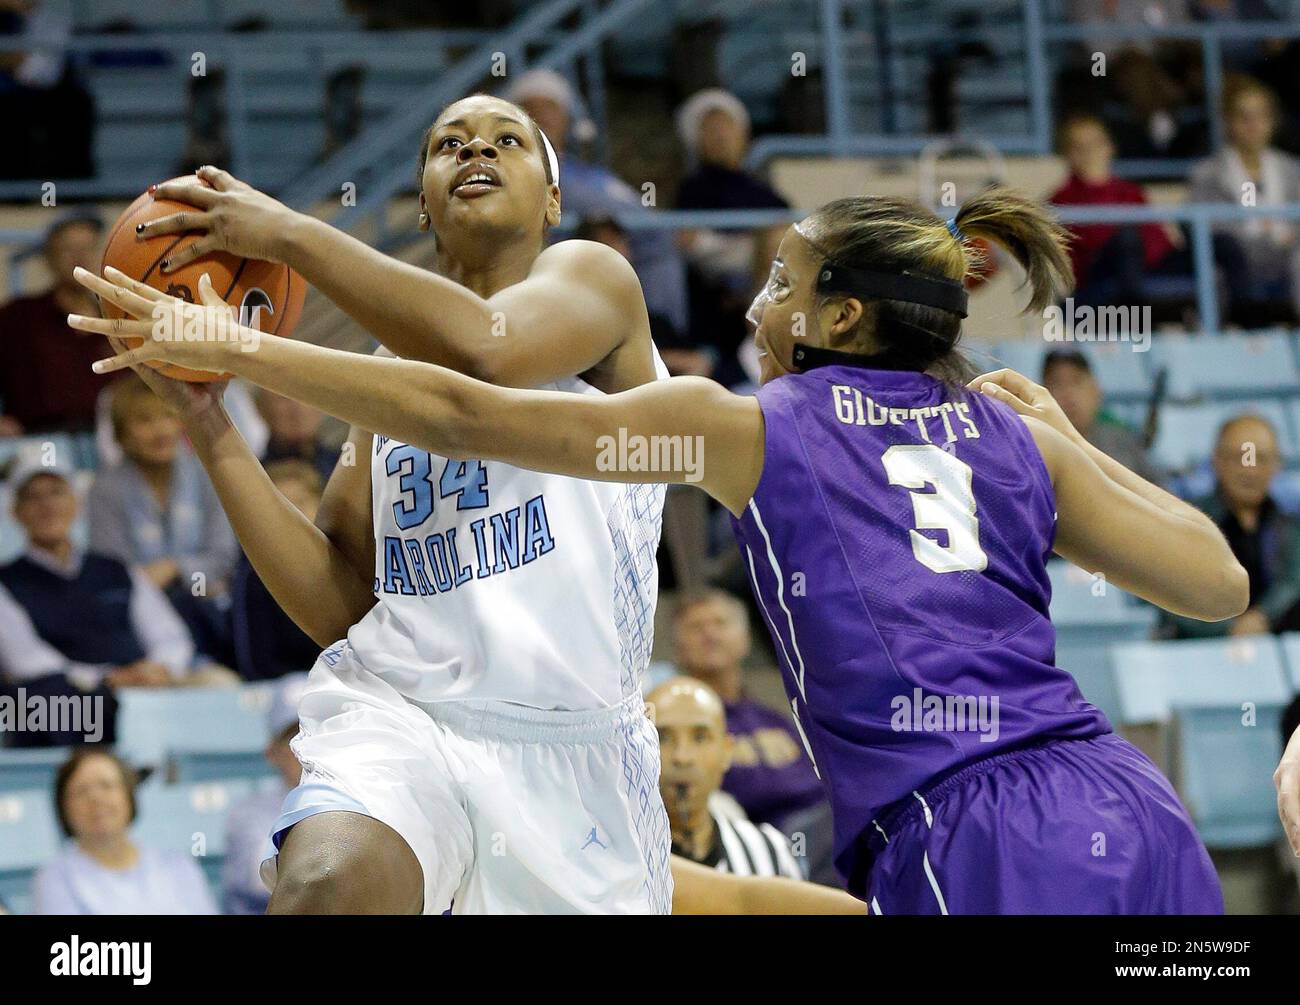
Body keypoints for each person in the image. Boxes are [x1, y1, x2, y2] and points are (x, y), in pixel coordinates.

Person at [88, 185, 1252, 914]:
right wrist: (1068, 447)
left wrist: (229, 352)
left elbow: (468, 410)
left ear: (838, 320)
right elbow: (1216, 581)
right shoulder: (1013, 433)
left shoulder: (746, 425)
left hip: (965, 823)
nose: (752, 307)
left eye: (779, 285)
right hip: (1126, 800)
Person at [81, 92, 672, 915]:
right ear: (423, 205)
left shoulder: (595, 283)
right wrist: (206, 418)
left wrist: (282, 241)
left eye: (507, 140)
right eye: (448, 145)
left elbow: (483, 362)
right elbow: (341, 603)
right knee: (327, 883)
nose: (476, 151)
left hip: (568, 753)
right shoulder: (383, 371)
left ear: (553, 198)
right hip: (401, 721)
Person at [0, 455, 194, 746]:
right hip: (74, 698)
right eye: (33, 497)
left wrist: (160, 668)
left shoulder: (118, 569)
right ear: (15, 512)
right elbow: (27, 660)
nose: (47, 505)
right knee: (45, 700)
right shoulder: (7, 582)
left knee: (218, 685)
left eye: (56, 493)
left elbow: (169, 636)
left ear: (76, 504)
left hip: (147, 685)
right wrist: (105, 678)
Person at [506, 68, 690, 337]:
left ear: (566, 117)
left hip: (621, 263)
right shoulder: (514, 170)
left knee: (652, 252)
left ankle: (663, 339)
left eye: (550, 106)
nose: (541, 115)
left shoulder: (592, 174)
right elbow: (638, 217)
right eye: (530, 107)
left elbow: (637, 215)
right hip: (553, 268)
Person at [88, 376, 238, 662]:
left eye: (168, 416)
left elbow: (223, 556)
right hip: (139, 623)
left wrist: (172, 568)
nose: (161, 431)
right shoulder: (105, 489)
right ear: (121, 433)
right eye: (145, 420)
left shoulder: (207, 474)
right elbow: (112, 571)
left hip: (210, 615)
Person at [672, 590, 826, 833]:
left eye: (720, 623)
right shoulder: (679, 728)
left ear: (745, 639)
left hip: (823, 829)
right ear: (680, 649)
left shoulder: (777, 720)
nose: (710, 634)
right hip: (763, 844)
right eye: (696, 627)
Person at [1162, 414, 1300, 638]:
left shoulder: (1292, 525)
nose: (1250, 470)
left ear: (1277, 464)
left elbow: (1294, 584)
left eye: (1261, 459)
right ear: (1216, 461)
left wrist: (1260, 618)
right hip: (1197, 649)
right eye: (1240, 457)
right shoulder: (1187, 522)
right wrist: (1230, 630)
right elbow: (1167, 593)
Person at [652, 676, 803, 880]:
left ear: (726, 751)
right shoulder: (607, 857)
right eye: (662, 738)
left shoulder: (772, 851)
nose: (682, 756)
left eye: (700, 737)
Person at [33, 749, 218, 915]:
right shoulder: (54, 880)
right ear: (63, 808)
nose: (96, 799)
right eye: (81, 791)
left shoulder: (179, 866)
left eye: (107, 785)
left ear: (129, 796)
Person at [1188, 75, 1300, 324]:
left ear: (1272, 121)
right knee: (1224, 259)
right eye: (1243, 116)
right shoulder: (1207, 174)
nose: (1253, 124)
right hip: (1236, 261)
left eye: (1261, 115)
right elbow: (1210, 231)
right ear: (1228, 121)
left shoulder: (1291, 170)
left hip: (1286, 255)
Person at [1048, 113, 1180, 306]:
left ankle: (1238, 317)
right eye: (1079, 147)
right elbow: (1094, 241)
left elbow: (1159, 240)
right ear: (1066, 155)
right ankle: (1138, 318)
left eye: (1095, 143)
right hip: (1096, 280)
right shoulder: (1060, 200)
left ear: (1110, 147)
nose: (1089, 152)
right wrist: (1094, 186)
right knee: (1127, 239)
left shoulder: (1132, 192)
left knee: (1221, 244)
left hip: (1146, 268)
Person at [0, 211, 112, 437]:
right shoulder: (19, 316)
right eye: (68, 249)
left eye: (88, 248)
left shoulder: (116, 318)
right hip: (39, 442)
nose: (80, 257)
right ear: (49, 257)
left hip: (114, 445)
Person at [228, 460, 328, 682]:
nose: (294, 513)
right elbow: (256, 663)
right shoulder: (253, 577)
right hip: (285, 687)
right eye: (282, 505)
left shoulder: (347, 559)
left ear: (322, 502)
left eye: (302, 502)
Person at [222, 673, 309, 915]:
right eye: (295, 736)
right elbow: (264, 881)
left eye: (317, 731)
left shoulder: (361, 801)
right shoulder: (249, 813)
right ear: (272, 752)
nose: (307, 747)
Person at [1040, 350, 1164, 486]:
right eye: (1057, 383)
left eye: (1076, 381)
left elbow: (1162, 498)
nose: (1068, 393)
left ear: (1096, 391)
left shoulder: (1123, 442)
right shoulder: (1034, 452)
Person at [256, 388, 337, 482]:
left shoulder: (345, 466)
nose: (297, 407)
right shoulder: (252, 474)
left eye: (306, 397)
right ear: (262, 409)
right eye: (284, 398)